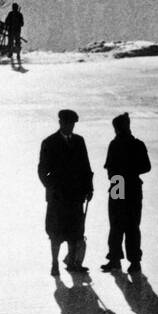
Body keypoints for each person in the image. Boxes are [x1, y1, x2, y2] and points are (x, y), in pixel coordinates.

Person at [38, 109, 94, 276]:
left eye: (72, 124)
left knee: (75, 232)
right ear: (60, 123)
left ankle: (71, 262)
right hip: (57, 197)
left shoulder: (79, 141)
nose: (70, 127)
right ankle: (54, 263)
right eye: (68, 123)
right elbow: (42, 170)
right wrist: (51, 187)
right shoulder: (49, 142)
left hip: (76, 195)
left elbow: (86, 167)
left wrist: (89, 188)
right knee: (55, 233)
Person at [102, 112, 151, 275]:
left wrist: (124, 172)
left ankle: (120, 259)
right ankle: (131, 261)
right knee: (128, 225)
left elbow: (110, 169)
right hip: (129, 186)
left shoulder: (117, 144)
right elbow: (145, 167)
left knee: (121, 225)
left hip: (120, 185)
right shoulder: (135, 144)